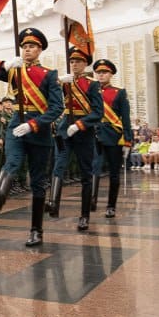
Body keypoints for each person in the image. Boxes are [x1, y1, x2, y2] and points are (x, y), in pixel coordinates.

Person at [0, 28, 64, 247]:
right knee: (12, 161)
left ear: (40, 50)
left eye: (32, 46)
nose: (28, 50)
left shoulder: (49, 75)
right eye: (25, 46)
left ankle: (36, 230)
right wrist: (5, 65)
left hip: (39, 129)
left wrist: (34, 125)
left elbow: (57, 108)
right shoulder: (14, 70)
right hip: (15, 125)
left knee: (38, 181)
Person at [47, 48, 102, 229]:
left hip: (83, 132)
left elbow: (98, 113)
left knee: (86, 173)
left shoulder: (92, 84)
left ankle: (84, 215)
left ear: (85, 64)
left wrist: (78, 125)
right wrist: (58, 82)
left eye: (78, 61)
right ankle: (53, 203)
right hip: (64, 130)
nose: (74, 64)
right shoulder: (64, 82)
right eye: (71, 61)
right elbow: (48, 96)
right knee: (59, 164)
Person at [92, 58, 132, 218]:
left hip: (113, 136)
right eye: (99, 72)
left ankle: (111, 205)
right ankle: (92, 200)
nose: (101, 75)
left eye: (104, 72)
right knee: (93, 170)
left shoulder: (119, 92)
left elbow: (126, 118)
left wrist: (128, 140)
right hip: (94, 135)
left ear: (111, 74)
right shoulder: (91, 91)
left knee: (114, 173)